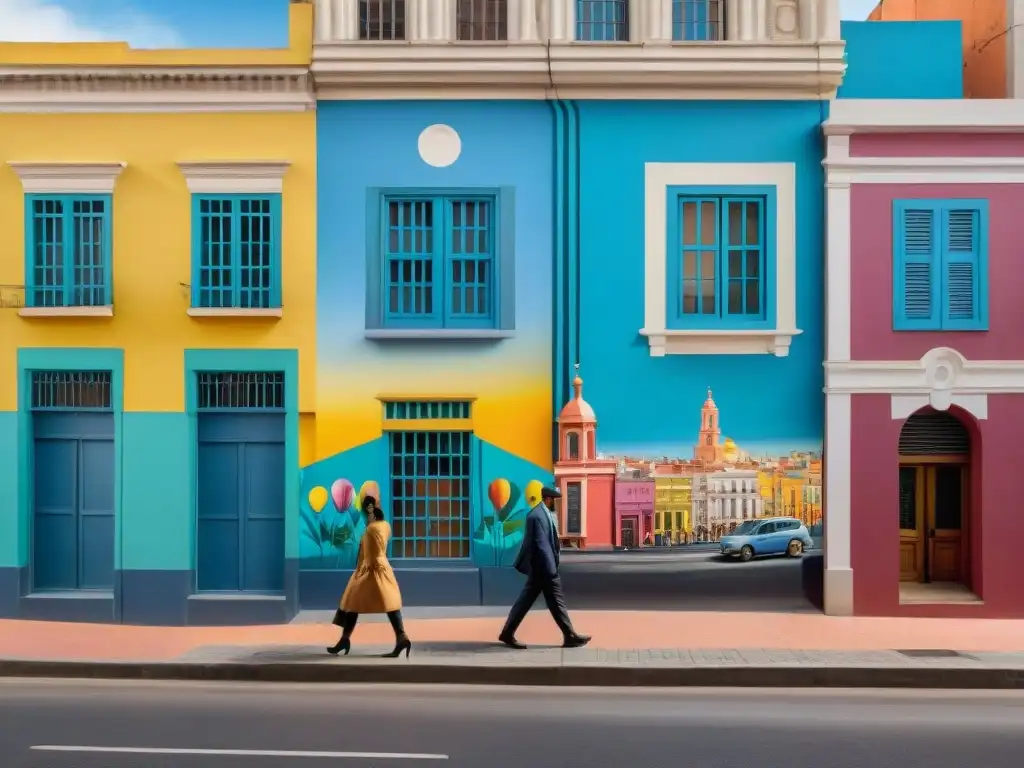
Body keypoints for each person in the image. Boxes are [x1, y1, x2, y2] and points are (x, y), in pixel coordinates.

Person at [499, 486, 591, 650]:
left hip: (541, 568)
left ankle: (569, 635)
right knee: (551, 601)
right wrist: (551, 569)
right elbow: (542, 545)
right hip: (544, 568)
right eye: (553, 501)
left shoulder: (542, 513)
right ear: (548, 499)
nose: (554, 504)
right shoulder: (536, 516)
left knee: (544, 601)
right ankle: (569, 635)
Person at [326, 495, 412, 658]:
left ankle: (346, 639)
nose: (366, 515)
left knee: (355, 602)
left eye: (367, 510)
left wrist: (362, 570)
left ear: (371, 510)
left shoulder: (371, 530)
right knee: (387, 604)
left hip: (371, 569)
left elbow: (368, 552)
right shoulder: (386, 526)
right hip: (380, 568)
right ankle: (401, 637)